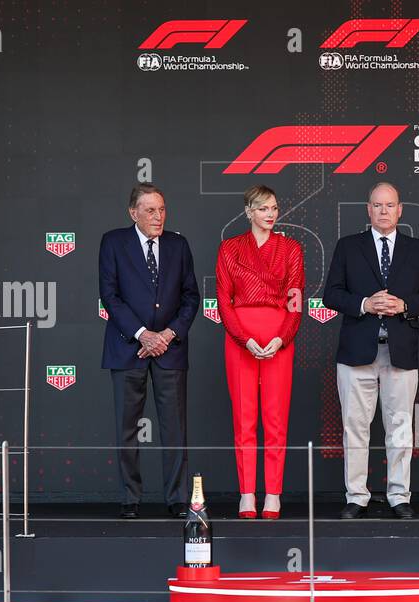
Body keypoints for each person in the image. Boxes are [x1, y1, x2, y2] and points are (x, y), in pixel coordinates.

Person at [322, 182, 419, 519]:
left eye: (390, 205)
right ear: (368, 209)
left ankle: (399, 495)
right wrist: (364, 304)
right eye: (377, 205)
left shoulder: (418, 250)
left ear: (400, 209)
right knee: (355, 426)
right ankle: (356, 496)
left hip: (401, 352)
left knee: (401, 427)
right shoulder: (349, 247)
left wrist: (405, 304)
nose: (384, 211)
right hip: (356, 352)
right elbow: (331, 294)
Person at [98, 184, 199, 519]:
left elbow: (190, 297)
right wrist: (143, 335)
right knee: (126, 428)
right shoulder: (113, 242)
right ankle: (130, 498)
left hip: (170, 349)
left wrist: (167, 335)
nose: (159, 217)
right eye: (150, 210)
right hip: (128, 349)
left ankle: (177, 499)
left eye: (162, 209)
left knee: (176, 429)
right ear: (133, 213)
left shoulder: (178, 245)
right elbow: (110, 296)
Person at [215, 185, 304, 520]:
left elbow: (296, 300)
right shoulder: (230, 248)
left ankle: (273, 494)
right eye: (263, 208)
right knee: (245, 419)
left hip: (280, 338)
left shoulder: (291, 248)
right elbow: (224, 301)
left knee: (276, 419)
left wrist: (281, 339)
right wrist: (243, 338)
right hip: (241, 338)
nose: (270, 214)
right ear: (248, 211)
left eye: (275, 208)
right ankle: (247, 493)